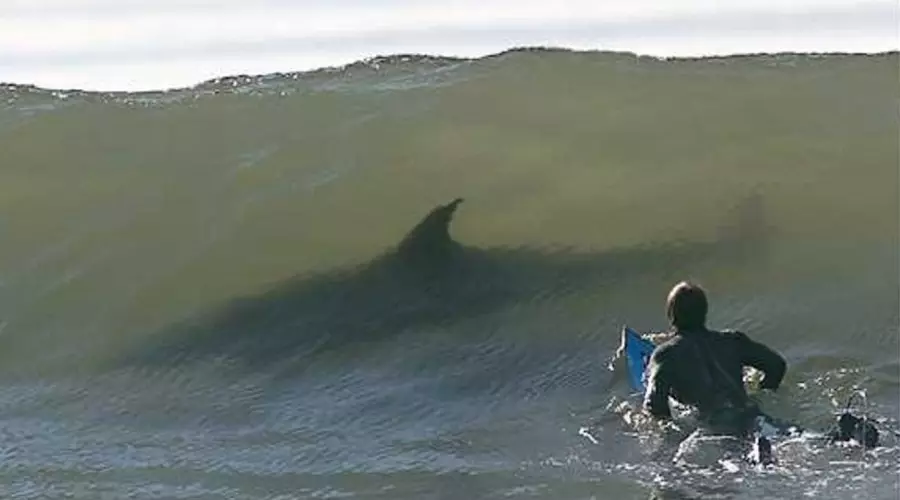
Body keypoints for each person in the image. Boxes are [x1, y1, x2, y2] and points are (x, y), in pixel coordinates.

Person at [642, 281, 787, 438]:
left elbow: (654, 405)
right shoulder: (733, 341)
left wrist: (675, 433)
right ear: (704, 313)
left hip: (715, 429)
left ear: (671, 315)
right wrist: (760, 394)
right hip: (751, 415)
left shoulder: (666, 354)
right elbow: (777, 365)